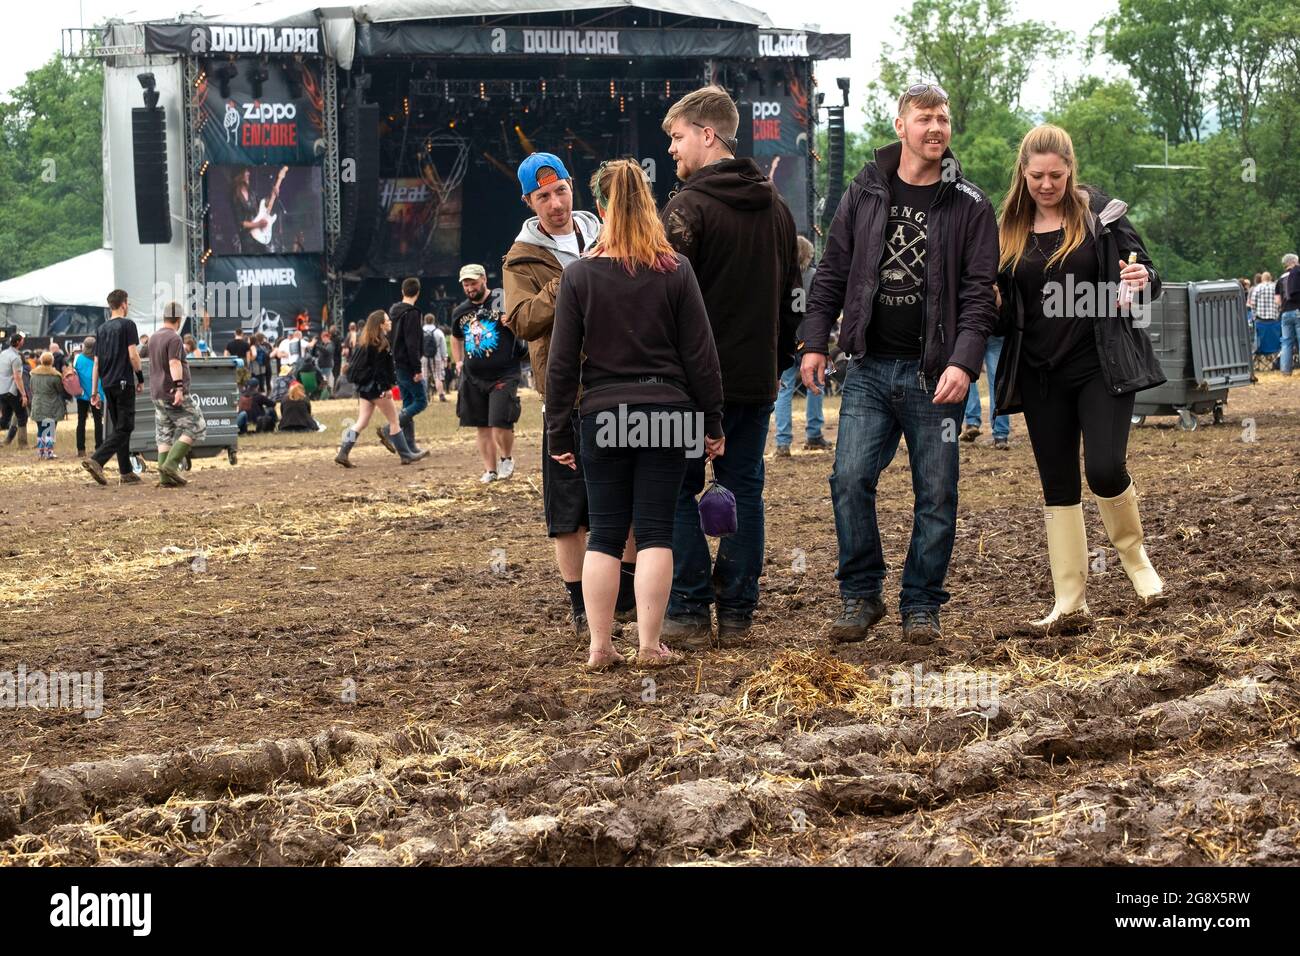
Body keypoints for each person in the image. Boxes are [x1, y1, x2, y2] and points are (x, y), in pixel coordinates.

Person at [802, 82, 999, 645]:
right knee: (849, 478)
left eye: (943, 118)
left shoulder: (970, 203)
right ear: (900, 125)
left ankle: (921, 605)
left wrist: (964, 363)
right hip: (866, 369)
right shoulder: (865, 190)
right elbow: (833, 272)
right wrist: (816, 341)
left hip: (935, 373)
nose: (935, 128)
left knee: (936, 493)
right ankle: (861, 596)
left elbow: (979, 294)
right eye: (924, 118)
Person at [547, 159, 725, 669]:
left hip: (602, 415)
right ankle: (649, 645)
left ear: (599, 208)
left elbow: (563, 365)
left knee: (604, 533)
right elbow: (702, 358)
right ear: (649, 205)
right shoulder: (676, 271)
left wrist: (560, 428)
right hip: (670, 415)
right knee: (654, 533)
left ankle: (600, 647)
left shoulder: (580, 275)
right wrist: (713, 424)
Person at [992, 124, 1166, 632]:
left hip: (1100, 365)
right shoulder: (1008, 230)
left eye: (1057, 176)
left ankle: (1136, 561)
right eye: (1037, 176)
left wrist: (1141, 280)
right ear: (1022, 174)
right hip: (1041, 374)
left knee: (1107, 469)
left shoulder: (1102, 219)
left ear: (1071, 172)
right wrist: (995, 304)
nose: (1047, 185)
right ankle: (1070, 599)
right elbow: (1005, 317)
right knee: (1058, 485)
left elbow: (1148, 279)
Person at [659, 85, 803, 646]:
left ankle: (691, 609)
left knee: (676, 488)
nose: (672, 149)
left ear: (707, 134)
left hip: (693, 385)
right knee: (744, 487)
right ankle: (739, 611)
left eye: (677, 137)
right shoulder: (777, 208)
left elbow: (663, 304)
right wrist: (779, 361)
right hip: (755, 379)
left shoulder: (685, 211)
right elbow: (795, 298)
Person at [503, 151, 618, 635]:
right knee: (569, 511)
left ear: (573, 186)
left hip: (617, 384)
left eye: (561, 190)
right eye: (543, 196)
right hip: (566, 396)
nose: (555, 203)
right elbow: (521, 320)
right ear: (529, 201)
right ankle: (579, 607)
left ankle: (626, 600)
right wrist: (571, 278)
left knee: (621, 503)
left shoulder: (610, 230)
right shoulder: (521, 257)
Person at [450, 265, 522, 482]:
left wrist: (511, 322)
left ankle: (506, 458)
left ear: (483, 280)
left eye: (473, 283)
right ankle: (490, 470)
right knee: (481, 425)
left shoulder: (501, 298)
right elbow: (456, 337)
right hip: (473, 376)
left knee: (500, 421)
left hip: (504, 372)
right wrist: (458, 362)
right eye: (466, 284)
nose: (470, 288)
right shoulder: (460, 311)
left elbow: (523, 324)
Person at [334, 310, 428, 466]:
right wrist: (386, 388)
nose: (390, 322)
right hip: (377, 389)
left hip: (364, 388)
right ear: (381, 324)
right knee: (394, 420)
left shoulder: (365, 341)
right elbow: (380, 370)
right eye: (387, 320)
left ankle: (343, 453)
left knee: (361, 422)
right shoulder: (381, 343)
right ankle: (406, 455)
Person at [774, 235, 832, 457]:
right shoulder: (814, 276)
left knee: (785, 388)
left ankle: (782, 442)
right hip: (810, 339)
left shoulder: (780, 276)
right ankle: (814, 433)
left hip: (787, 337)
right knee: (817, 382)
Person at [82, 289, 143, 486]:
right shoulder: (128, 325)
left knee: (119, 427)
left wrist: (94, 392)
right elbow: (133, 355)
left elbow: (96, 364)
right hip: (124, 382)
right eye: (128, 303)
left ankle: (126, 471)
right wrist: (140, 377)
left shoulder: (101, 329)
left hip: (107, 383)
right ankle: (97, 460)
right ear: (123, 304)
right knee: (126, 426)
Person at [148, 301, 208, 488]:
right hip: (171, 391)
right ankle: (171, 465)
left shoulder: (154, 337)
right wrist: (179, 388)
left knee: (165, 432)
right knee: (197, 425)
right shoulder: (174, 338)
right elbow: (174, 363)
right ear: (179, 319)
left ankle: (165, 478)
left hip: (157, 392)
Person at [388, 277, 429, 454]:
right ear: (418, 292)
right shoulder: (412, 314)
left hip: (397, 362)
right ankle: (387, 430)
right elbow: (412, 344)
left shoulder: (394, 312)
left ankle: (409, 445)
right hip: (408, 364)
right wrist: (417, 369)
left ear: (403, 291)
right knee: (420, 402)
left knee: (408, 403)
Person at [961, 333, 1012, 449]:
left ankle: (972, 422)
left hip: (972, 327)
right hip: (997, 328)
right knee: (997, 382)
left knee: (969, 375)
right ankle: (1001, 435)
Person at [29, 351, 65, 460]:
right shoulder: (55, 375)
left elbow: (31, 389)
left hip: (38, 404)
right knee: (50, 429)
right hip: (51, 405)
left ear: (41, 360)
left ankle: (41, 452)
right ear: (52, 361)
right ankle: (49, 452)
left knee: (40, 429)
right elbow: (60, 390)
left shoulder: (33, 374)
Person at [73, 336, 104, 457]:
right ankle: (99, 447)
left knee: (81, 421)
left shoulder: (78, 359)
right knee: (98, 421)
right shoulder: (99, 359)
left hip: (82, 395)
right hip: (97, 394)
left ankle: (81, 449)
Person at [0, 331, 30, 449]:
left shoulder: (3, 354)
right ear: (18, 342)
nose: (23, 341)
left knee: (5, 418)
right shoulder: (16, 358)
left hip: (1, 390)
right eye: (22, 340)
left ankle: (9, 441)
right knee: (22, 415)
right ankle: (23, 444)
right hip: (11, 390)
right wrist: (23, 394)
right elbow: (17, 377)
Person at [1276, 253, 1299, 375]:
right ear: (1294, 262)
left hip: (1285, 312)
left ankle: (1285, 371)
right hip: (1297, 310)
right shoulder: (1297, 274)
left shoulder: (1280, 279)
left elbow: (1277, 301)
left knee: (1286, 342)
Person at [1249, 271, 1278, 356]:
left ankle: (1257, 351)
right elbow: (1279, 303)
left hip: (1260, 321)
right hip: (1274, 321)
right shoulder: (1275, 287)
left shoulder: (1257, 288)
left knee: (1257, 336)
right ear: (1271, 278)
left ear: (1262, 279)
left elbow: (1253, 304)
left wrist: (1254, 316)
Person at [422, 313, 448, 403]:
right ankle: (441, 395)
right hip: (436, 355)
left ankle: (425, 395)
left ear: (424, 321)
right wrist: (445, 357)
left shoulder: (420, 331)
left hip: (423, 356)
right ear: (433, 321)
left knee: (424, 375)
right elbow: (443, 346)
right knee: (438, 376)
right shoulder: (438, 332)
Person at [316, 328, 336, 396]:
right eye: (322, 338)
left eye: (323, 338)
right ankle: (328, 394)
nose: (322, 340)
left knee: (325, 381)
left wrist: (319, 347)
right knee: (326, 381)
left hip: (326, 366)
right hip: (323, 366)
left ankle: (326, 395)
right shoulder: (325, 345)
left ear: (326, 337)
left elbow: (327, 352)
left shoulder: (330, 345)